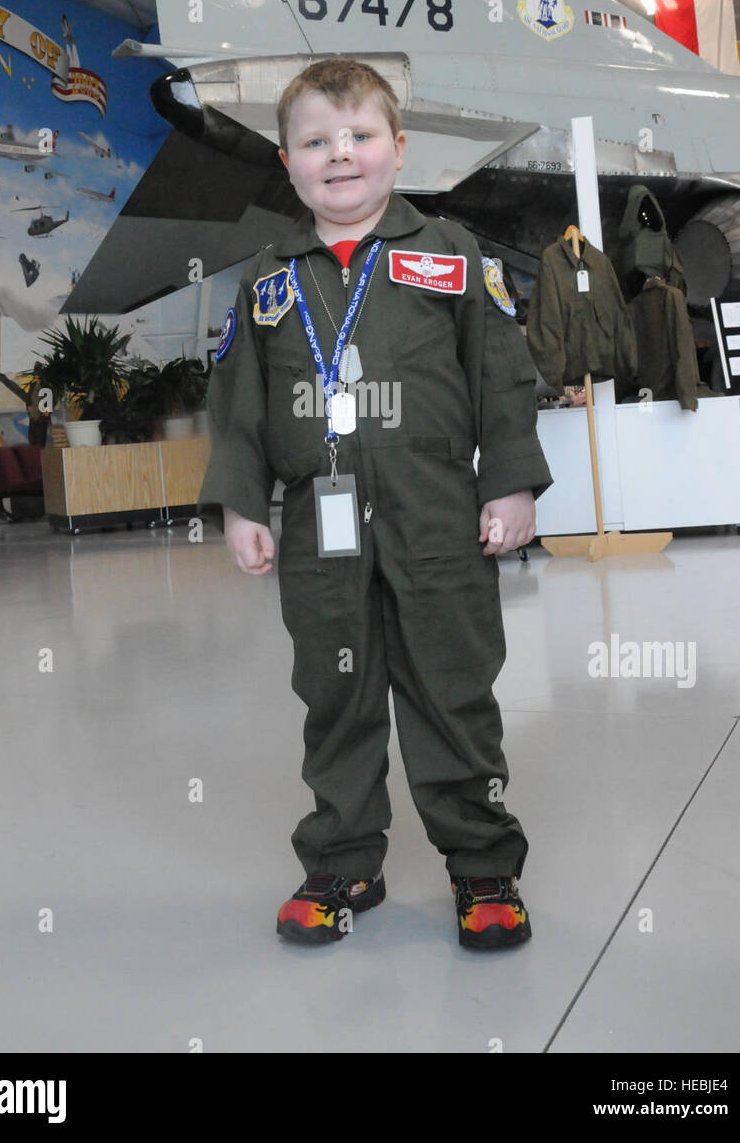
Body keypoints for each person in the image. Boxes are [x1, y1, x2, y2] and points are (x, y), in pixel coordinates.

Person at [198, 58, 552, 949]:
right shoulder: (267, 279)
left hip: (436, 516)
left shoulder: (449, 254)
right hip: (320, 526)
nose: (340, 155)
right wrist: (243, 506)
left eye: (358, 137)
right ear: (288, 163)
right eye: (316, 142)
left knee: (451, 690)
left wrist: (508, 481)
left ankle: (482, 866)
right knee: (336, 697)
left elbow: (500, 378)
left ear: (399, 149)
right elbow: (237, 405)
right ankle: (342, 863)